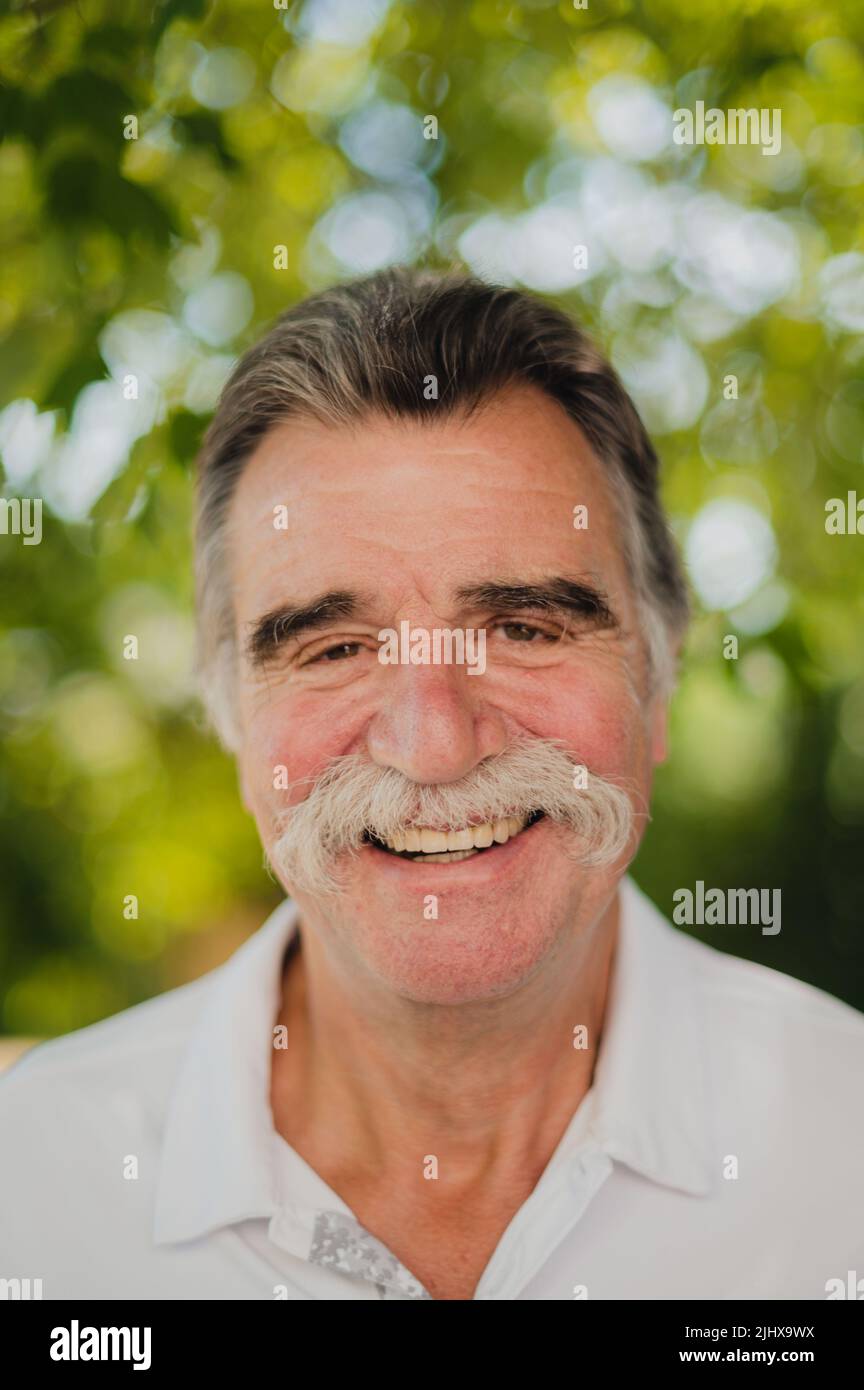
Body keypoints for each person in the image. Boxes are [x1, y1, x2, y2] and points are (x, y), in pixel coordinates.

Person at [2, 267, 862, 1301]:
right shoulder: (35, 1182)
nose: (436, 745)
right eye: (333, 647)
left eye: (523, 628)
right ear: (233, 718)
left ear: (660, 675)